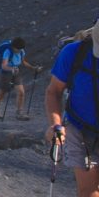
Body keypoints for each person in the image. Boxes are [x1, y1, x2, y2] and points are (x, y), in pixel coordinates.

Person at [45, 18, 99, 197]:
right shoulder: (74, 53)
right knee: (87, 191)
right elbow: (54, 92)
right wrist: (55, 124)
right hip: (79, 129)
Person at [0, 37, 41, 120]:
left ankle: (19, 113)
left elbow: (23, 62)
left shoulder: (21, 51)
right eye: (17, 49)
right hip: (6, 73)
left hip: (16, 72)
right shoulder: (7, 51)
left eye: (20, 49)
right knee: (2, 92)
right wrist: (11, 69)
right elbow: (4, 65)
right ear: (13, 46)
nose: (18, 51)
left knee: (21, 92)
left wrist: (33, 68)